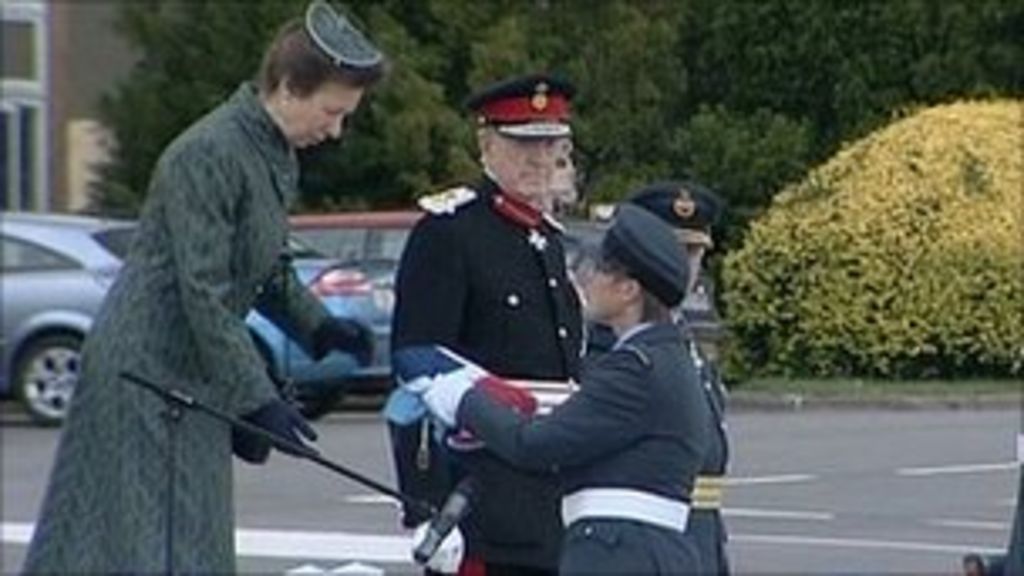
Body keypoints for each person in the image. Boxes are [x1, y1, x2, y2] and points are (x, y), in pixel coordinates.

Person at [22, 2, 383, 573]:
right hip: (144, 372)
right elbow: (204, 292)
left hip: (190, 371)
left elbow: (267, 267)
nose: (336, 130)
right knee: (140, 543)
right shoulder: (208, 152)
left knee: (192, 536)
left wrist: (321, 328)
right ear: (289, 86)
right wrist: (257, 397)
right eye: (332, 111)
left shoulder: (272, 152)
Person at [394, 203, 712, 575]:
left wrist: (460, 394)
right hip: (638, 549)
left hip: (620, 552)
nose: (584, 277)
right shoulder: (660, 358)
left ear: (628, 290)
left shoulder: (636, 369)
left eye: (598, 269)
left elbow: (534, 444)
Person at [387, 73, 583, 575]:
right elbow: (415, 368)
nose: (540, 160)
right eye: (522, 145)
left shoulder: (550, 241)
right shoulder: (450, 233)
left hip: (550, 493)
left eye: (551, 145)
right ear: (486, 145)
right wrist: (425, 506)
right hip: (478, 492)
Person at [628, 180, 731, 575]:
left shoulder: (687, 338)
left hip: (699, 543)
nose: (684, 263)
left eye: (693, 251)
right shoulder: (621, 342)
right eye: (672, 249)